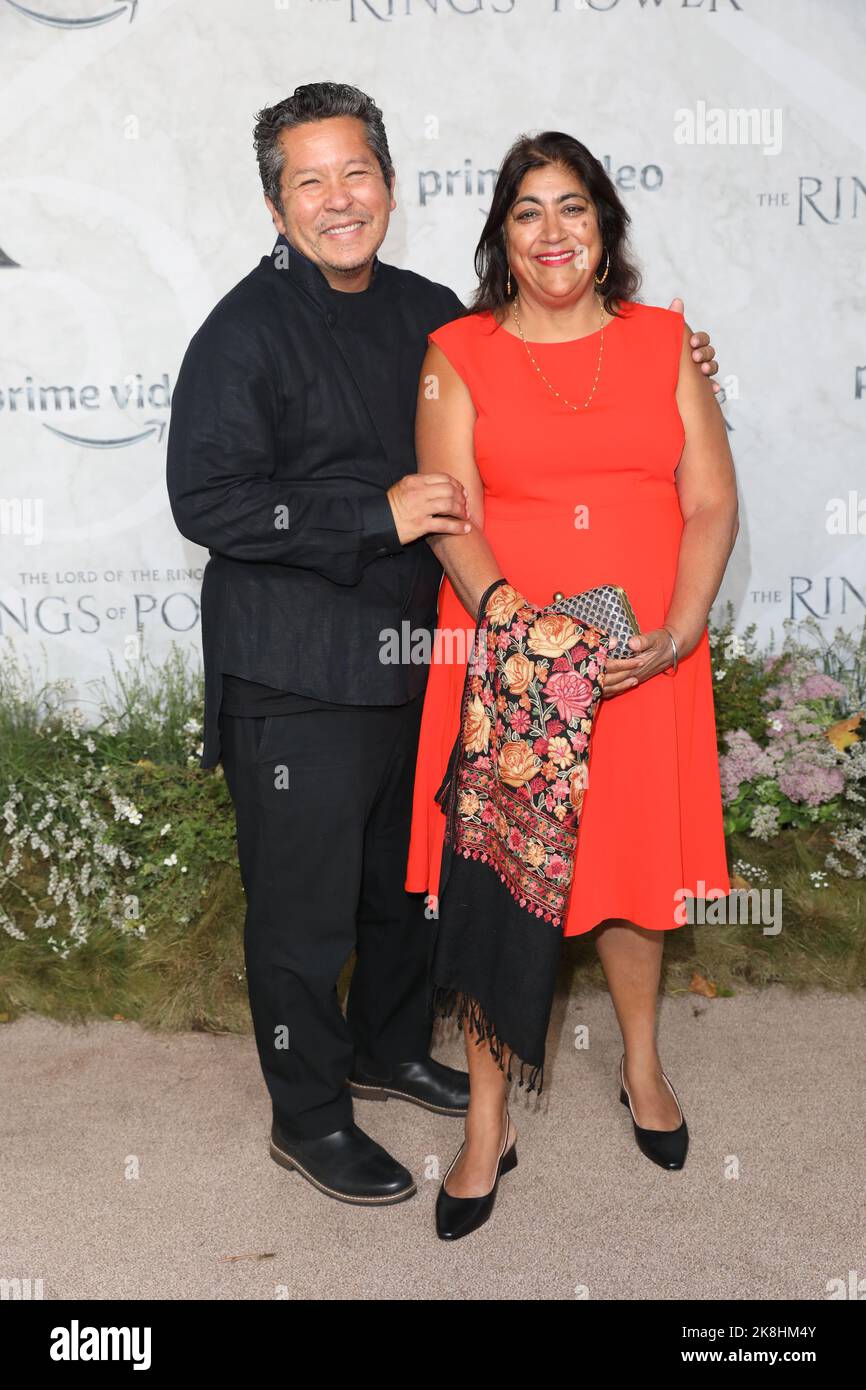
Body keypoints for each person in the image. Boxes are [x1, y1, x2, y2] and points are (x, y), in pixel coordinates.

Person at [166, 84, 720, 1209]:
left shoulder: (424, 310)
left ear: (389, 184)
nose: (338, 199)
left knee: (397, 892)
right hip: (297, 671)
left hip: (419, 665)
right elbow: (204, 499)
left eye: (355, 173)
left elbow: (541, 371)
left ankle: (384, 1047)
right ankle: (308, 1118)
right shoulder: (241, 330)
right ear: (275, 206)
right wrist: (377, 515)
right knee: (303, 912)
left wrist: (674, 357)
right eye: (309, 181)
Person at [404, 130, 738, 1239]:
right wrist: (514, 626)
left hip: (641, 662)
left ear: (603, 226)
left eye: (572, 209)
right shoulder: (456, 348)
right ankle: (486, 1117)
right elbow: (447, 507)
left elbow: (707, 501)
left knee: (631, 870)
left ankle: (640, 1062)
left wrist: (683, 627)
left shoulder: (663, 341)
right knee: (502, 882)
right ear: (501, 234)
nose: (552, 233)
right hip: (510, 666)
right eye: (527, 212)